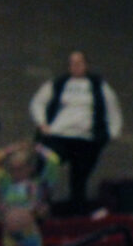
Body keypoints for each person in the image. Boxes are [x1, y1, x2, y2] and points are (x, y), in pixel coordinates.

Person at [28, 51, 122, 216]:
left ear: (86, 64)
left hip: (85, 139)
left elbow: (113, 109)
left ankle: (76, 212)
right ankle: (40, 206)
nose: (75, 66)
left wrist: (112, 133)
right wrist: (42, 123)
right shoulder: (59, 83)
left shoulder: (98, 85)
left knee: (79, 178)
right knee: (47, 167)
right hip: (59, 135)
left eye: (79, 63)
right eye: (72, 63)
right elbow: (38, 102)